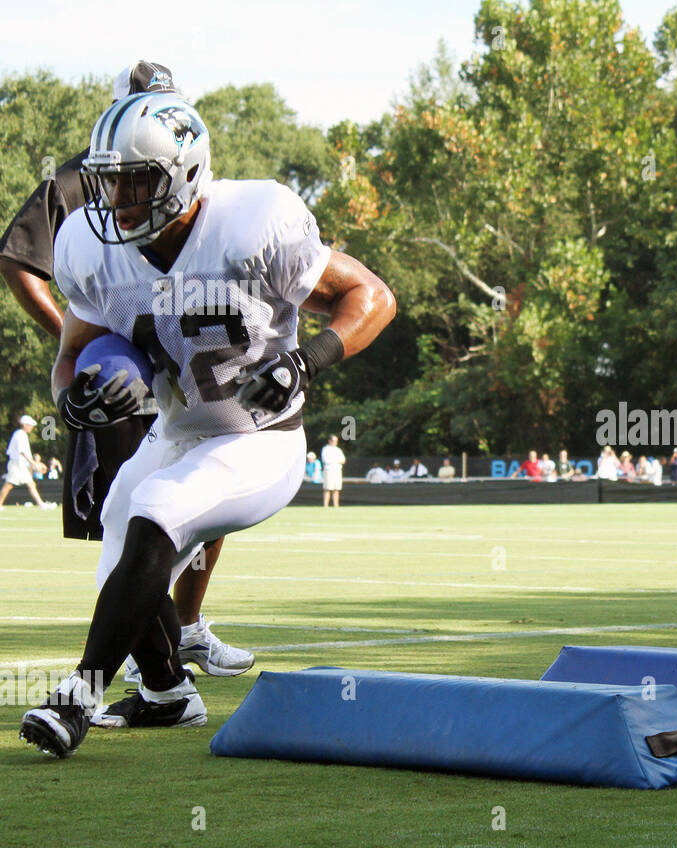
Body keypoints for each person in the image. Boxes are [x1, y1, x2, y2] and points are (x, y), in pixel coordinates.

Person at [19, 90, 395, 757]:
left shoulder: (254, 222)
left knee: (157, 506)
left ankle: (78, 694)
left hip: (260, 438)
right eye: (110, 182)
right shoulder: (93, 246)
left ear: (185, 175)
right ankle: (168, 693)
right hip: (178, 429)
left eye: (136, 181)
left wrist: (309, 359)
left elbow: (373, 296)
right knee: (119, 520)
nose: (118, 199)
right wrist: (69, 398)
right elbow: (72, 353)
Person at [0, 61, 246, 680]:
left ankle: (185, 631)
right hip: (121, 375)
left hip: (189, 371)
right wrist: (80, 344)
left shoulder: (200, 182)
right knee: (134, 516)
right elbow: (16, 258)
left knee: (201, 502)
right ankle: (151, 667)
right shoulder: (80, 177)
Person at [0, 415, 56, 508]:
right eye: (30, 425)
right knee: (9, 484)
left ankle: (41, 504)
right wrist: (34, 464)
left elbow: (25, 453)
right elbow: (22, 452)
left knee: (31, 484)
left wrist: (34, 464)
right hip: (16, 463)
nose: (31, 427)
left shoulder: (22, 435)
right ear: (24, 425)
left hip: (21, 464)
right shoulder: (19, 434)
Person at [321, 435, 345, 505]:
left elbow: (343, 460)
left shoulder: (338, 450)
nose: (335, 442)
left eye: (336, 441)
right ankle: (325, 505)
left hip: (337, 470)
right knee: (328, 488)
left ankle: (336, 505)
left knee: (336, 489)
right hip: (329, 470)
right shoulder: (325, 449)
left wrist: (334, 460)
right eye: (334, 441)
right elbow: (326, 460)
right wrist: (336, 460)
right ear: (330, 441)